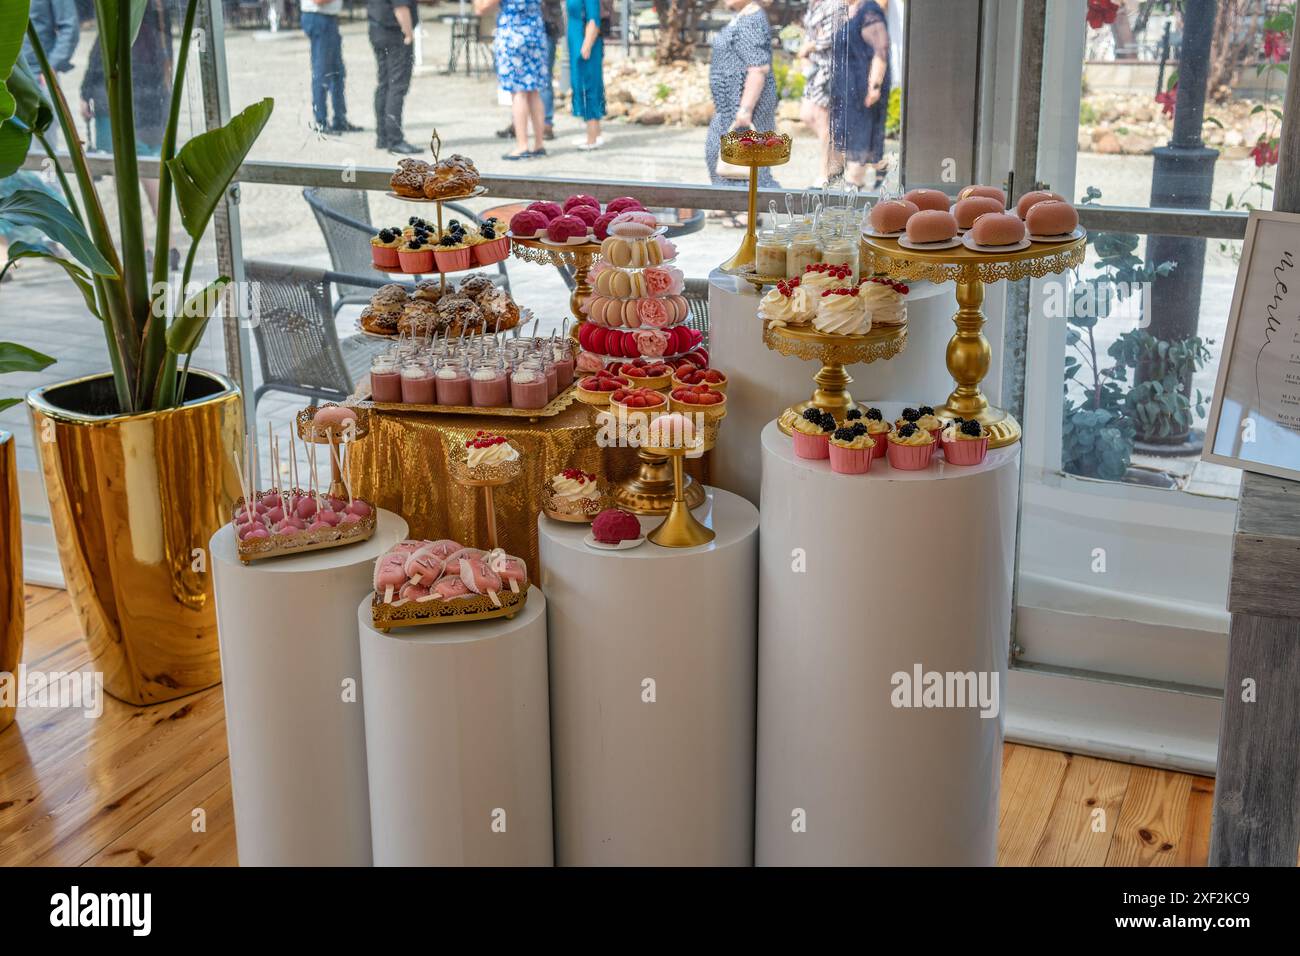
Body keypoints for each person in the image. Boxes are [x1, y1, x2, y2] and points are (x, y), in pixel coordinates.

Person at [705, 0, 779, 211]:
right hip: (730, 103)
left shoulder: (752, 20)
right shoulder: (743, 16)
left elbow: (758, 69)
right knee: (718, 152)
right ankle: (733, 207)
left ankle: (748, 211)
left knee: (745, 157)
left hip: (744, 104)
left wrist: (745, 109)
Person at [475, 0, 548, 161]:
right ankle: (539, 145)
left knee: (519, 93)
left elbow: (482, 8)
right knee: (534, 92)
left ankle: (522, 146)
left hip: (514, 35)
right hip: (536, 33)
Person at [829, 0, 889, 188]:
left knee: (860, 139)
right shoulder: (851, 10)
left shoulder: (870, 11)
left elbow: (881, 50)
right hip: (849, 89)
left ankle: (854, 184)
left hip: (864, 89)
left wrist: (874, 87)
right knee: (854, 139)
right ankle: (878, 167)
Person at [798, 0, 843, 186]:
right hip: (814, 68)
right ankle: (840, 155)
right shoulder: (813, 4)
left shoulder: (834, 5)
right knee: (806, 114)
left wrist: (810, 46)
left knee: (824, 121)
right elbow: (811, 31)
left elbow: (834, 36)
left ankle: (824, 173)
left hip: (828, 69)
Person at [368, 0, 420, 154]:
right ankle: (394, 139)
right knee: (397, 86)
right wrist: (408, 34)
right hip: (395, 33)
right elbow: (400, 7)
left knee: (384, 84)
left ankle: (383, 136)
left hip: (378, 29)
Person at [301, 0, 360, 134]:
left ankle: (339, 119)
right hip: (319, 18)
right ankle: (321, 121)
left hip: (327, 18)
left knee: (337, 72)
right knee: (322, 73)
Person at [567, 0, 605, 150]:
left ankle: (592, 138)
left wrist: (587, 45)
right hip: (577, 42)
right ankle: (596, 134)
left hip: (584, 44)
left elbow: (593, 18)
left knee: (589, 88)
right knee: (584, 86)